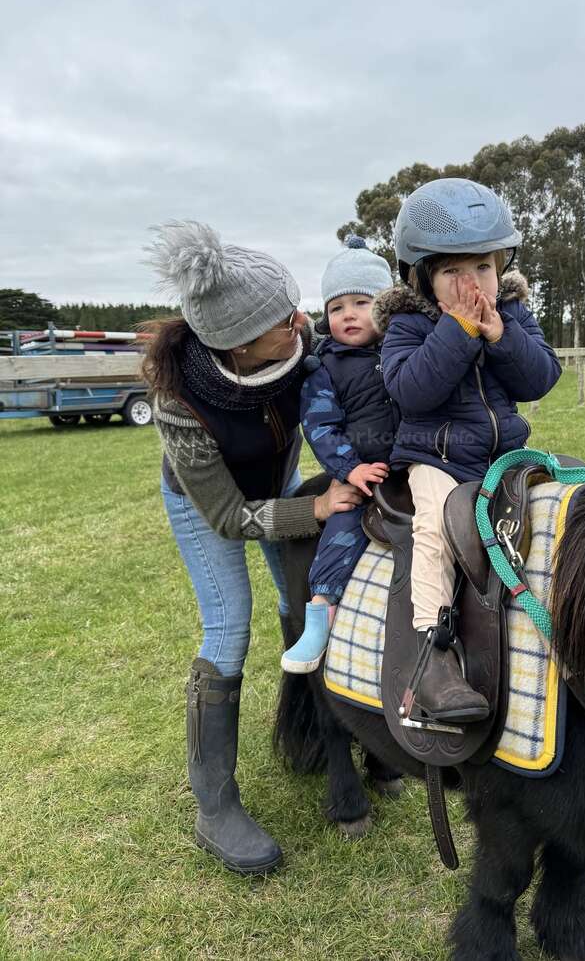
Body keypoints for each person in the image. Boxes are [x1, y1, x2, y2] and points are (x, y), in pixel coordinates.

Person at [141, 221, 361, 876]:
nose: (301, 319)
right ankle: (215, 803)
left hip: (278, 481)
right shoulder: (178, 401)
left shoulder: (302, 341)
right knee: (229, 626)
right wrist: (315, 508)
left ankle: (317, 740)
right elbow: (230, 515)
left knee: (306, 606)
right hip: (210, 505)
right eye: (279, 319)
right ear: (236, 345)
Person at [372, 178, 563, 722]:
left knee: (572, 509)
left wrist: (503, 337)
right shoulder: (408, 324)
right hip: (437, 460)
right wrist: (457, 330)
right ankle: (431, 658)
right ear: (423, 276)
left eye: (482, 266)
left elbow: (541, 378)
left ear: (501, 266)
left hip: (506, 457)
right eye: (452, 270)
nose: (470, 282)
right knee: (433, 527)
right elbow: (412, 389)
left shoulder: (514, 313)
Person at [281, 235, 396, 672]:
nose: (348, 314)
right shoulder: (323, 368)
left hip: (420, 461)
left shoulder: (404, 351)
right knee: (344, 526)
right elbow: (320, 426)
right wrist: (351, 468)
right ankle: (321, 610)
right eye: (336, 307)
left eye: (361, 302)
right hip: (363, 470)